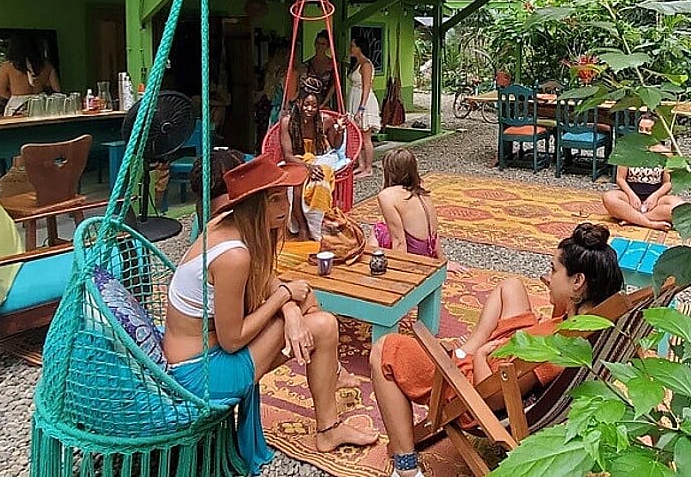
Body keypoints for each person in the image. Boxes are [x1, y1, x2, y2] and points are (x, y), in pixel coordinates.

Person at [162, 157, 377, 475]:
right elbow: (233, 340)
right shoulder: (233, 256)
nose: (285, 207)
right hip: (197, 375)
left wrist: (290, 310)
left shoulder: (228, 225)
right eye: (274, 200)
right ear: (252, 206)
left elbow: (265, 279)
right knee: (317, 320)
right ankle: (330, 403)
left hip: (204, 355)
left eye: (285, 197)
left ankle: (329, 421)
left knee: (319, 319)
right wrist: (284, 298)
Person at [370, 223, 624, 477]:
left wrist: (479, 356)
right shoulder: (591, 325)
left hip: (477, 384)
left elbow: (491, 400)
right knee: (511, 287)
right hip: (513, 355)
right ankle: (466, 349)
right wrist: (561, 297)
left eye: (553, 270)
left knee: (385, 349)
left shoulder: (556, 348)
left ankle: (406, 469)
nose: (548, 276)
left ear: (578, 281)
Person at [366, 148, 466, 273]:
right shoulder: (421, 190)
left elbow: (399, 242)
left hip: (412, 254)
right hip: (428, 251)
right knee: (383, 226)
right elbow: (434, 235)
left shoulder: (387, 195)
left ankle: (370, 264)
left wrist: (398, 271)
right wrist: (442, 261)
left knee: (378, 229)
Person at [279, 77, 346, 240]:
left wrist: (339, 131)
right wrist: (307, 167)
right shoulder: (287, 122)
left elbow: (335, 146)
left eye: (314, 106)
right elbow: (288, 156)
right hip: (297, 159)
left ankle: (315, 227)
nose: (310, 109)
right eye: (306, 104)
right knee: (296, 181)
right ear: (299, 102)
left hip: (322, 157)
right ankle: (302, 225)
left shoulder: (325, 120)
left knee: (320, 179)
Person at [601, 113, 682, 230]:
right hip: (630, 196)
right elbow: (620, 179)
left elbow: (668, 183)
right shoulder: (628, 150)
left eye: (648, 130)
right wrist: (632, 196)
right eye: (641, 129)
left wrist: (654, 197)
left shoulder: (666, 153)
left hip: (656, 199)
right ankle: (650, 223)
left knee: (679, 207)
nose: (643, 133)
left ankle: (632, 218)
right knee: (609, 198)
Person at [0, 36, 60, 116]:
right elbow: (57, 89)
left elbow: (0, 91)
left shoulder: (7, 66)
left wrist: (16, 97)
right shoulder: (47, 66)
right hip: (40, 104)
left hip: (18, 106)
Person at [347, 38, 382, 178]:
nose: (351, 48)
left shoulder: (366, 65)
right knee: (355, 135)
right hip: (354, 98)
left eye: (353, 46)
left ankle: (368, 167)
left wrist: (361, 108)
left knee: (366, 137)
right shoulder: (357, 63)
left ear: (359, 48)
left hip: (364, 101)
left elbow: (367, 87)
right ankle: (361, 164)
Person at [304, 30, 336, 109]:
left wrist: (323, 104)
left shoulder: (333, 65)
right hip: (309, 104)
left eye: (323, 44)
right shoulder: (307, 64)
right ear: (314, 44)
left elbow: (333, 86)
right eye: (318, 43)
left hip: (325, 104)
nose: (319, 46)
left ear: (327, 46)